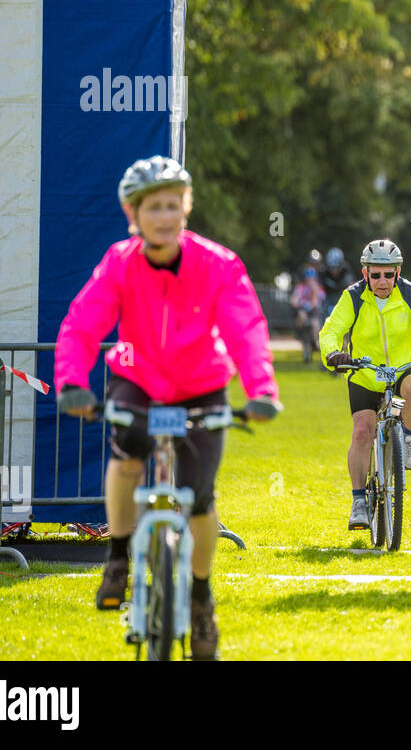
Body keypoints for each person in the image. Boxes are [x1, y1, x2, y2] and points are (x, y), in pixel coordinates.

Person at [55, 155, 282, 660]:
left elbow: (246, 329)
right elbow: (82, 325)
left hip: (202, 385)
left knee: (200, 499)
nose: (164, 216)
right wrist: (72, 383)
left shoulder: (218, 264)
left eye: (173, 205)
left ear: (186, 208)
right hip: (138, 381)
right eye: (153, 207)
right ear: (133, 214)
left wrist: (261, 390)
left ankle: (200, 600)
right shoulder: (120, 262)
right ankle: (117, 556)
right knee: (126, 458)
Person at [320, 239, 411, 529]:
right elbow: (332, 329)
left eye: (388, 275)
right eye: (375, 274)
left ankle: (408, 437)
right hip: (365, 374)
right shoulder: (352, 296)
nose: (382, 281)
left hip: (403, 368)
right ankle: (358, 502)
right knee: (363, 432)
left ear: (398, 272)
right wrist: (333, 353)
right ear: (365, 273)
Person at [291, 268, 326, 362]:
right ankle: (298, 332)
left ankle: (316, 343)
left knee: (315, 324)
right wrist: (297, 303)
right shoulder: (300, 287)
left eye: (312, 279)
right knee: (301, 315)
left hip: (315, 311)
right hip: (303, 310)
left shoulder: (318, 288)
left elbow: (317, 301)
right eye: (308, 279)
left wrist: (314, 290)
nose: (310, 281)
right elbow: (294, 299)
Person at [320, 247, 354, 317]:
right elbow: (319, 289)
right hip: (328, 298)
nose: (334, 270)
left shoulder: (346, 271)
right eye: (331, 267)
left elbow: (351, 288)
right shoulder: (324, 272)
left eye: (336, 267)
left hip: (342, 297)